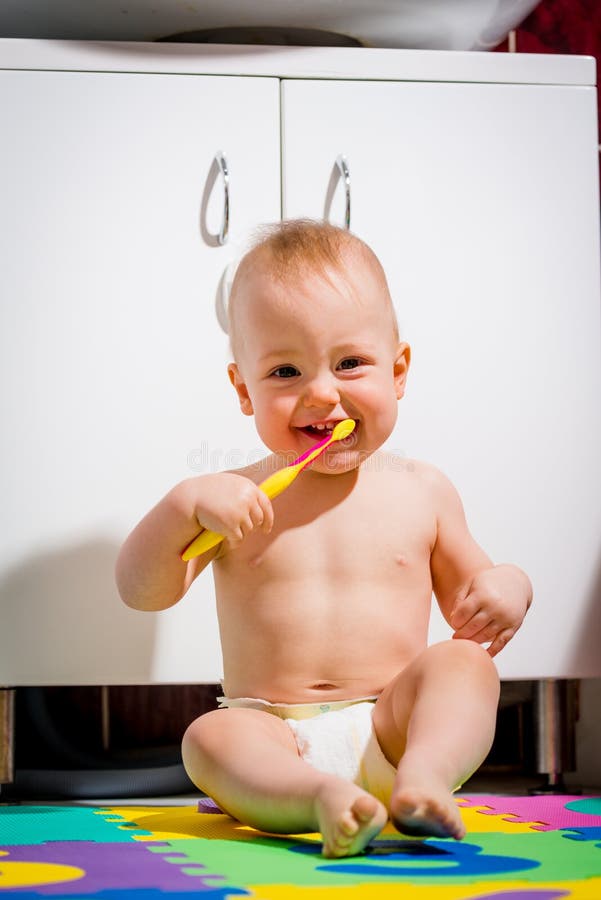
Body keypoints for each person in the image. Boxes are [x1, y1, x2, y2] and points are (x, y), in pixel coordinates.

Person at [115, 219, 532, 859]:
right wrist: (182, 507)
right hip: (274, 737)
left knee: (467, 666)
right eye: (285, 370)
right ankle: (318, 798)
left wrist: (510, 587)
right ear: (243, 391)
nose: (322, 394)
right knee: (208, 737)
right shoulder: (230, 498)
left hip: (396, 727)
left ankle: (424, 780)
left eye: (350, 363)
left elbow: (471, 604)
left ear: (398, 370)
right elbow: (142, 593)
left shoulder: (424, 490)